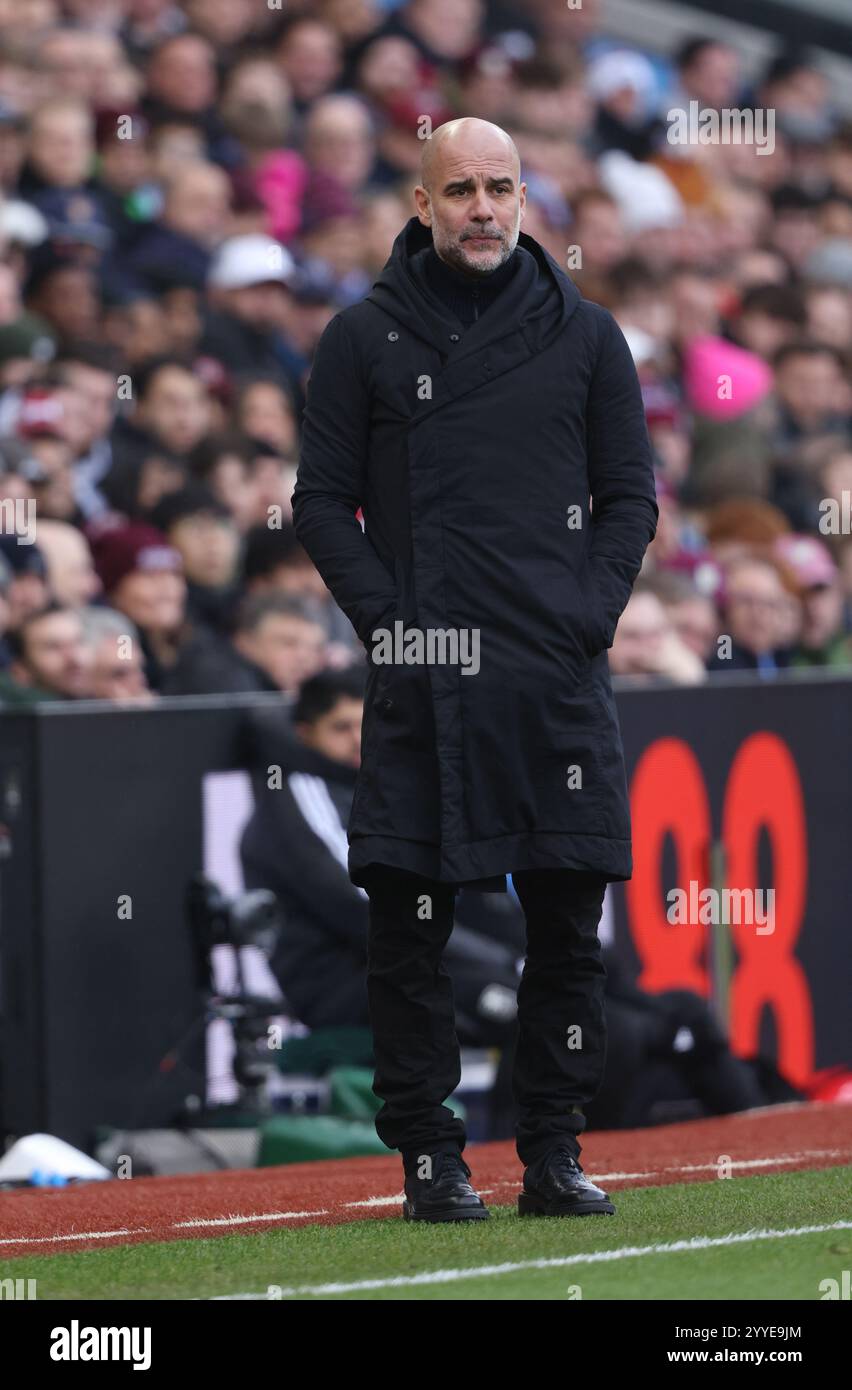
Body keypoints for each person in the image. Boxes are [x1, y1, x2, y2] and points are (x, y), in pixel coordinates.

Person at [292, 117, 658, 1222]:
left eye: (501, 187)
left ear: (526, 198)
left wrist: (585, 617)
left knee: (567, 939)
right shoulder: (363, 336)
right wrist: (389, 622)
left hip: (554, 687)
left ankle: (552, 1151)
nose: (483, 208)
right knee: (407, 937)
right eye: (460, 190)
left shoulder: (588, 337)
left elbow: (629, 497)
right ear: (421, 202)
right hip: (425, 682)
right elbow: (320, 501)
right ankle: (429, 1159)